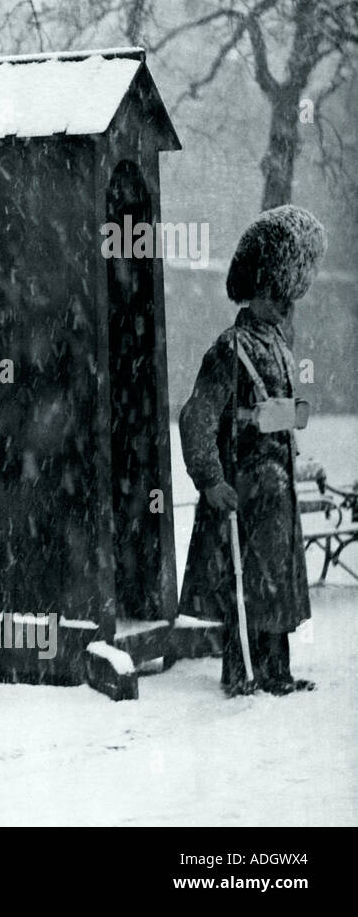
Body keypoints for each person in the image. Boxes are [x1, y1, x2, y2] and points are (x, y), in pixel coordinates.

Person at [178, 205, 326, 696]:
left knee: (276, 586)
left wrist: (287, 416)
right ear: (260, 292)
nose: (287, 307)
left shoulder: (279, 346)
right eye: (279, 297)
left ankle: (277, 672)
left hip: (277, 495)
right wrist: (210, 479)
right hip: (243, 491)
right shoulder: (230, 348)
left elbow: (272, 414)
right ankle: (241, 673)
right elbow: (197, 415)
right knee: (245, 588)